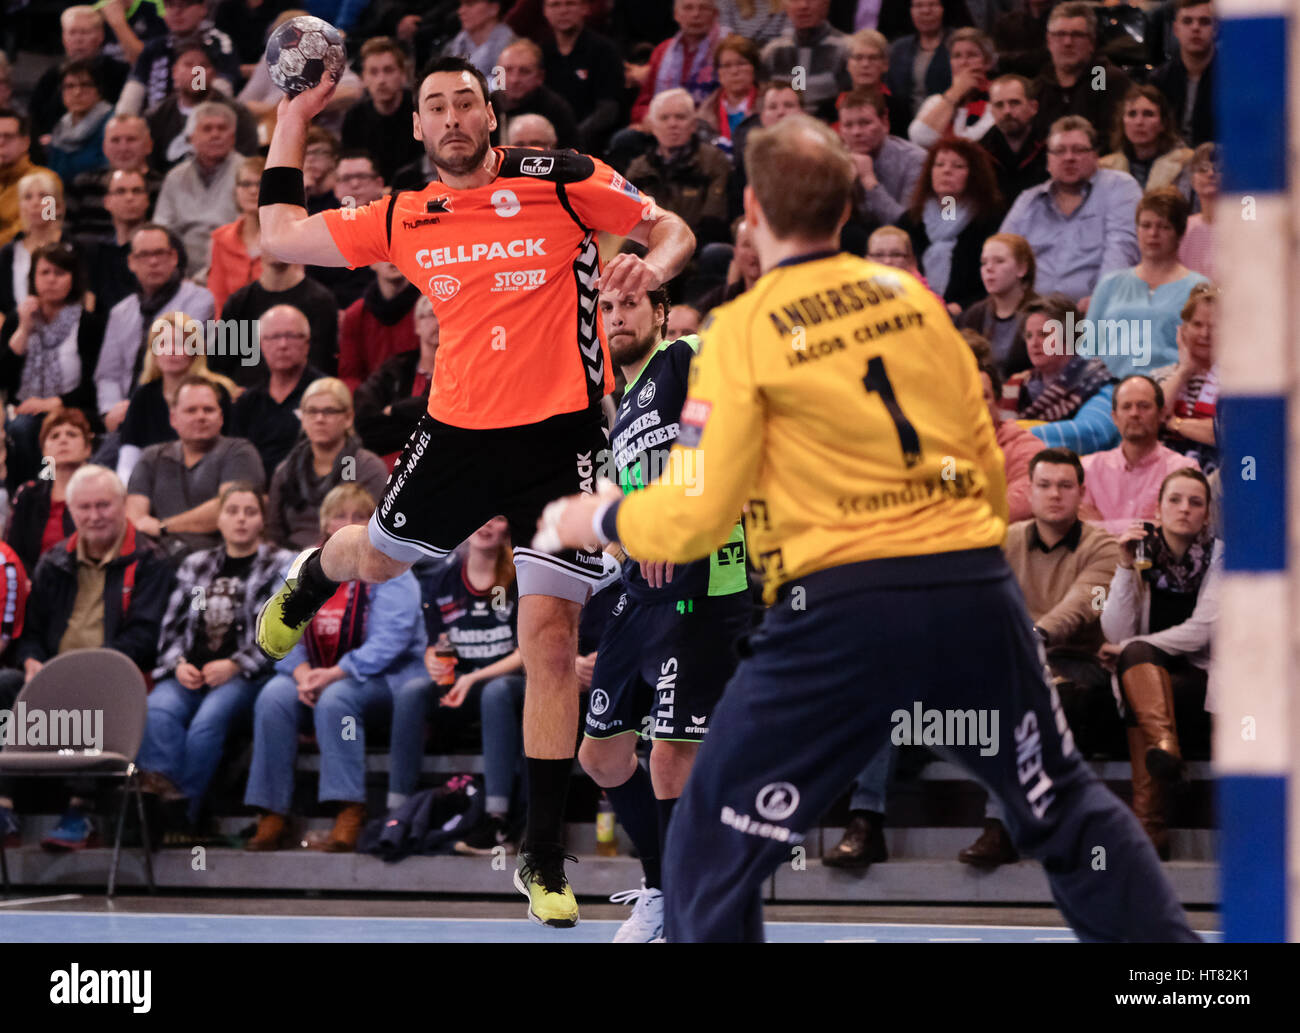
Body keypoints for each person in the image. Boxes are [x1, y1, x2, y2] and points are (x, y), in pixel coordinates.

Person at [537, 113, 1197, 943]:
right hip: (972, 590)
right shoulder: (914, 301)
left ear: (752, 210)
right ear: (846, 213)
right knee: (1060, 802)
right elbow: (991, 462)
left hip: (840, 609)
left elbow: (696, 507)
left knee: (711, 838)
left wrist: (591, 512)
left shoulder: (738, 332)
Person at [253, 54, 694, 928]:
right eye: (435, 108)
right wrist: (297, 112)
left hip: (563, 436)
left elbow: (669, 227)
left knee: (552, 635)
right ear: (416, 130)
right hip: (454, 436)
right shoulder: (402, 215)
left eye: (467, 103)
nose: (452, 117)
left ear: (490, 118)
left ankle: (539, 853)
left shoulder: (559, 179)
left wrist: (650, 268)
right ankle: (311, 575)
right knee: (373, 557)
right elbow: (277, 234)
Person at [578, 285, 750, 942]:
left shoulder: (684, 357)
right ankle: (659, 887)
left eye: (631, 305)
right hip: (639, 590)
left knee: (670, 756)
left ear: (659, 313)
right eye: (608, 309)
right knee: (601, 756)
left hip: (704, 579)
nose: (618, 317)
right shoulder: (618, 413)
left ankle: (681, 907)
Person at [959, 447, 1124, 866]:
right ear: (1029, 491)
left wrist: (1034, 636)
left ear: (1081, 493)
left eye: (1065, 485)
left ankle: (1000, 827)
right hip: (1011, 661)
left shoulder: (1102, 545)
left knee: (1024, 698)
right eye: (1044, 485)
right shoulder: (1005, 542)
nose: (1054, 494)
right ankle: (865, 816)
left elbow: (1084, 602)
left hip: (1079, 664)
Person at [244, 484, 428, 853]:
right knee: (273, 697)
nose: (348, 524)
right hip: (314, 676)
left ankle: (349, 809)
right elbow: (276, 625)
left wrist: (334, 674)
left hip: (385, 680)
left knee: (337, 700)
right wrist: (298, 673)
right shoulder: (301, 567)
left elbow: (389, 642)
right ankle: (272, 811)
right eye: (339, 516)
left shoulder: (393, 566)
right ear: (326, 523)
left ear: (375, 522)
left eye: (359, 516)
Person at [14, 465, 173, 851]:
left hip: (120, 675)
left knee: (98, 689)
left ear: (122, 506)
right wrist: (33, 660)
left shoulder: (152, 560)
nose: (94, 515)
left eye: (104, 505)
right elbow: (31, 633)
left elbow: (146, 636)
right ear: (72, 513)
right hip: (54, 674)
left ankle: (81, 811)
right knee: (5, 687)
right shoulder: (54, 561)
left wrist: (86, 670)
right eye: (84, 507)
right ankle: (6, 808)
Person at [137, 483, 293, 832]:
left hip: (244, 674)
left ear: (261, 521)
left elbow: (280, 630)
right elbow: (171, 627)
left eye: (249, 512)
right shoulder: (197, 564)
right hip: (188, 671)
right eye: (232, 511)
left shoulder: (280, 564)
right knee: (158, 711)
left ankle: (183, 815)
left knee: (208, 720)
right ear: (218, 520)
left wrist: (235, 664)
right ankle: (159, 805)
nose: (240, 519)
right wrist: (178, 664)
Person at [1100, 467, 1219, 858]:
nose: (1184, 509)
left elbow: (1201, 632)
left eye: (1195, 502)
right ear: (1159, 507)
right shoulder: (1141, 554)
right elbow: (1115, 631)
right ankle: (1164, 747)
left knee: (1135, 659)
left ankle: (1149, 825)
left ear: (1206, 513)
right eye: (1175, 500)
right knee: (1137, 665)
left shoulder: (1221, 557)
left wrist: (1133, 646)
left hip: (1202, 684)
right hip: (1151, 684)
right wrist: (1122, 566)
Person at [395, 517, 524, 832]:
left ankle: (496, 814)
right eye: (481, 517)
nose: (486, 525)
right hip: (460, 686)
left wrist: (473, 678)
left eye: (497, 518)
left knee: (496, 693)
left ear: (508, 528)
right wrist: (434, 661)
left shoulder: (520, 577)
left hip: (510, 685)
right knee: (412, 691)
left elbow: (527, 653)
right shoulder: (442, 579)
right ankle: (397, 810)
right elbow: (436, 643)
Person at [1000, 115, 1141, 303]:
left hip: (1093, 311)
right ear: (1048, 160)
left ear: (1095, 155)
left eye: (1079, 150)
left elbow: (1122, 249)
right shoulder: (1028, 200)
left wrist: (1101, 299)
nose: (1069, 158)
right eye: (1059, 151)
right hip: (1031, 313)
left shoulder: (1119, 186)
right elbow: (1001, 253)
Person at [126, 374, 266, 557]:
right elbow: (135, 518)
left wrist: (163, 527)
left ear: (221, 417)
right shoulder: (152, 457)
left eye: (208, 410)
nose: (200, 417)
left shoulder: (239, 451)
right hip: (157, 562)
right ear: (173, 418)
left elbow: (230, 509)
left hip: (218, 560)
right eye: (191, 410)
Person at [94, 222, 215, 434]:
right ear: (131, 262)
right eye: (144, 255)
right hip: (126, 412)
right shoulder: (120, 312)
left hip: (175, 408)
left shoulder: (201, 301)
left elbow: (179, 361)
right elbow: (108, 374)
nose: (153, 261)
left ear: (174, 258)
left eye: (160, 253)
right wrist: (111, 410)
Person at [0, 242, 103, 488]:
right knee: (20, 426)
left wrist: (53, 403)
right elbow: (2, 377)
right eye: (45, 272)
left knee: (36, 429)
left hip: (73, 407)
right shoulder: (17, 319)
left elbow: (95, 383)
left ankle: (48, 493)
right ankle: (23, 496)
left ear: (73, 279)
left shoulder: (89, 324)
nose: (52, 280)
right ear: (33, 278)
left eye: (60, 273)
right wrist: (24, 330)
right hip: (23, 408)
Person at [1086, 187, 1209, 380]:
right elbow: (1088, 349)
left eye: (1164, 227)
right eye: (1146, 225)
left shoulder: (1199, 287)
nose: (1153, 233)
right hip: (1107, 388)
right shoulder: (1110, 283)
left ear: (1179, 232)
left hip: (1172, 387)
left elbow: (1207, 352)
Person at [116, 311, 238, 484]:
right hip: (152, 484)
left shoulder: (216, 392)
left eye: (180, 343)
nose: (172, 350)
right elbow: (129, 457)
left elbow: (231, 449)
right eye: (163, 344)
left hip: (208, 481)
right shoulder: (144, 396)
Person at [267, 378, 389, 549]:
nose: (319, 418)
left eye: (329, 411)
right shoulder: (286, 470)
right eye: (311, 411)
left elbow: (378, 533)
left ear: (348, 418)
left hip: (349, 557)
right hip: (291, 560)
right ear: (302, 417)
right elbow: (274, 532)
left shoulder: (367, 468)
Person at [1080, 375, 1201, 536]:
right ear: (1114, 418)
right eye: (1126, 406)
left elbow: (1177, 532)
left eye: (1144, 406)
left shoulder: (1183, 470)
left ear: (1161, 413)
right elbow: (1080, 530)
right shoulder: (1088, 468)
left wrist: (1102, 527)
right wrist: (1150, 525)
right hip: (1100, 560)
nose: (1134, 413)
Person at [1000, 293, 1118, 455]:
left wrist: (1011, 434)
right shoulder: (1017, 386)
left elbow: (1092, 433)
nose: (1034, 343)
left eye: (1044, 334)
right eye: (1029, 336)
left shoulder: (1099, 380)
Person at [896, 138, 1003, 312]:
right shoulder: (911, 220)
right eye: (939, 165)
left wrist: (961, 307)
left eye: (958, 166)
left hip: (971, 314)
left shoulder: (989, 220)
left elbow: (999, 279)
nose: (946, 171)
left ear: (974, 174)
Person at [627, 89, 732, 248]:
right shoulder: (639, 169)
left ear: (693, 124)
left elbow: (713, 222)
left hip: (695, 250)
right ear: (653, 126)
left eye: (680, 117)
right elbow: (628, 221)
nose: (672, 124)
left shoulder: (714, 161)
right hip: (648, 252)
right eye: (664, 118)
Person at [229, 305, 327, 474]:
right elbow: (235, 459)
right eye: (274, 337)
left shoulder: (326, 394)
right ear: (261, 345)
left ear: (307, 343)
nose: (283, 345)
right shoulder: (248, 401)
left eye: (291, 336)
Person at [152, 102, 245, 275]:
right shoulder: (175, 177)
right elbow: (162, 227)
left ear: (232, 137)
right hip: (181, 270)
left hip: (232, 265)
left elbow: (249, 227)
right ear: (191, 138)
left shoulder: (247, 173)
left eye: (222, 128)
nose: (215, 134)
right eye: (207, 129)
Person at [217, 257, 339, 384]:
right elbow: (222, 365)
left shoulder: (321, 302)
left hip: (304, 396)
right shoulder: (239, 302)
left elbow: (322, 366)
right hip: (245, 397)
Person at [5, 408, 93, 576]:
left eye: (72, 434)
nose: (63, 440)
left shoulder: (102, 494)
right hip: (35, 590)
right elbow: (14, 553)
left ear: (87, 448)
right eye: (54, 436)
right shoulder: (27, 496)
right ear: (45, 452)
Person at [114, 0, 241, 117]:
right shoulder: (156, 47)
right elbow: (133, 91)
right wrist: (123, 121)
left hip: (201, 120)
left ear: (203, 8)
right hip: (157, 125)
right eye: (170, 5)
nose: (177, 12)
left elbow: (222, 91)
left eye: (185, 5)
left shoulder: (216, 44)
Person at [145, 45, 259, 173]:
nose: (196, 72)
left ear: (214, 74)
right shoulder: (157, 116)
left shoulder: (238, 114)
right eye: (189, 64)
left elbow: (248, 163)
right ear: (175, 72)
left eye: (203, 66)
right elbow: (150, 167)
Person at [1031, 1, 1132, 143]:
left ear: (1091, 42)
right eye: (1060, 34)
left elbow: (1109, 136)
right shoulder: (1040, 85)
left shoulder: (1102, 77)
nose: (1067, 42)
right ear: (1049, 41)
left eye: (1077, 35)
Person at [355, 295, 439, 464]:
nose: (438, 322)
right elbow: (364, 419)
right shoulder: (396, 368)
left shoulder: (462, 373)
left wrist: (396, 410)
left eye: (444, 315)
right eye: (431, 314)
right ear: (417, 325)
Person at [29, 6, 129, 144]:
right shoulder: (52, 76)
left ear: (100, 36)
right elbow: (35, 118)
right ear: (64, 38)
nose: (78, 39)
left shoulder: (120, 73)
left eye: (84, 32)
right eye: (72, 33)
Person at [541, 0, 626, 154]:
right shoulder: (540, 51)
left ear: (585, 8)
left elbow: (608, 111)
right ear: (545, 11)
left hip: (593, 145)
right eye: (555, 5)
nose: (563, 11)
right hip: (547, 142)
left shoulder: (605, 51)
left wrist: (571, 138)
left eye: (570, 4)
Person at [1152, 282, 1219, 475]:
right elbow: (1149, 419)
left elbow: (1226, 432)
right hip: (1162, 477)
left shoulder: (1237, 382)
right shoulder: (1162, 375)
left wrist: (1174, 423)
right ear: (1182, 329)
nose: (1205, 334)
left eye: (1214, 327)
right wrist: (1183, 372)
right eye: (1197, 324)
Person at [837, 87, 926, 230]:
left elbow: (908, 225)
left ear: (885, 123)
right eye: (848, 125)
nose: (856, 132)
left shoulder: (915, 159)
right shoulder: (834, 160)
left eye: (865, 123)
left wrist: (869, 181)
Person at [340, 37, 423, 188]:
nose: (381, 80)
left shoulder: (420, 109)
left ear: (403, 75)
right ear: (363, 78)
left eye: (388, 70)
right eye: (373, 72)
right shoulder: (354, 117)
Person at [633, 0, 726, 127]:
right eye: (688, 8)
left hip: (708, 125)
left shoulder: (726, 50)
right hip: (663, 126)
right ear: (676, 15)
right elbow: (642, 103)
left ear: (715, 14)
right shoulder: (662, 51)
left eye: (703, 8)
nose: (695, 14)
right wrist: (647, 117)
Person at [958, 231, 1037, 376]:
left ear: (1022, 269)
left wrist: (1031, 374)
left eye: (999, 261)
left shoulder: (1041, 314)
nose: (988, 268)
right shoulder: (974, 314)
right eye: (984, 262)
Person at [338, 261, 421, 393]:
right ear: (371, 263)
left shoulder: (429, 311)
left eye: (397, 251)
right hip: (368, 401)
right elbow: (349, 375)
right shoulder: (355, 314)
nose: (392, 259)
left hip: (418, 399)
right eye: (384, 253)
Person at [79, 167, 152, 315]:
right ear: (107, 202)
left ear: (147, 200)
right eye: (121, 191)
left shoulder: (160, 247)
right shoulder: (94, 254)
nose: (129, 198)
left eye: (136, 191)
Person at [907, 27, 995, 148]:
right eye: (957, 56)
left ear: (987, 62)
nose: (963, 62)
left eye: (972, 55)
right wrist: (956, 91)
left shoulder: (997, 100)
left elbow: (973, 142)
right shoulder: (936, 101)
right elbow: (919, 137)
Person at [1099, 86, 1193, 196]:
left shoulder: (1187, 162)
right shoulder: (1105, 166)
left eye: (1148, 114)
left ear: (1163, 123)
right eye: (1132, 114)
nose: (1139, 122)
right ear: (1122, 122)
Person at [762, 0, 850, 115]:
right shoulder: (772, 52)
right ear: (784, 6)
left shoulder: (845, 49)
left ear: (825, 3)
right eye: (795, 0)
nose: (803, 5)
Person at [490, 40, 580, 151]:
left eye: (524, 71)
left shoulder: (557, 109)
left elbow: (574, 157)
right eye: (508, 70)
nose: (515, 79)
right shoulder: (486, 105)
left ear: (540, 77)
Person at [0, 169, 67, 317]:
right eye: (28, 197)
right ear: (21, 206)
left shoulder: (73, 248)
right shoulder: (8, 253)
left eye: (44, 196)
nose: (35, 203)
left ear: (59, 206)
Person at [1149, 0, 1216, 147]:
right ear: (1176, 30)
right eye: (1187, 21)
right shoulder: (1158, 80)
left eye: (1204, 22)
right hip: (1170, 161)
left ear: (1216, 29)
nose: (1195, 28)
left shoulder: (1232, 79)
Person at [205, 156, 264, 314]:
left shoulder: (284, 236)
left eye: (260, 184)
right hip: (235, 331)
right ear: (236, 191)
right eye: (246, 184)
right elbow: (218, 297)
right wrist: (227, 337)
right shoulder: (221, 239)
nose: (253, 190)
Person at [978, 74, 1048, 208]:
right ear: (991, 111)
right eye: (999, 105)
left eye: (1015, 103)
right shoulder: (979, 153)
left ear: (1033, 107)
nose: (1007, 111)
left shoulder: (1054, 147)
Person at [43, 61, 114, 186]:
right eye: (69, 86)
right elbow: (51, 176)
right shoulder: (60, 127)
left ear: (99, 91)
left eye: (85, 85)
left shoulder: (111, 123)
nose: (77, 92)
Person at [885, 0, 954, 124]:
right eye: (918, 5)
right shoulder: (898, 48)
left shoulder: (958, 44)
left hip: (948, 122)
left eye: (932, 5)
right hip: (904, 124)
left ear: (943, 8)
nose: (925, 11)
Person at [696, 35, 760, 159]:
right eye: (727, 65)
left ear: (754, 68)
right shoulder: (704, 113)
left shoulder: (768, 106)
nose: (734, 71)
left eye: (741, 63)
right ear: (718, 73)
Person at [0, 110, 57, 248]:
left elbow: (42, 225)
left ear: (25, 142)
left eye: (8, 137)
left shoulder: (47, 180)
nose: (1, 142)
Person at [838, 30, 909, 132]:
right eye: (858, 57)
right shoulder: (829, 108)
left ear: (885, 65)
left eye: (873, 58)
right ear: (848, 64)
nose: (865, 64)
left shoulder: (899, 110)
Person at [441, 0, 518, 81]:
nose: (461, 11)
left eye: (470, 4)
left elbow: (502, 86)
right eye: (461, 5)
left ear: (494, 8)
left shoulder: (510, 48)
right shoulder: (458, 41)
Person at [1179, 142, 1217, 281]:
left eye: (1219, 168)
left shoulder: (1245, 228)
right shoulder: (1182, 229)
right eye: (1202, 169)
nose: (1211, 173)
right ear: (1192, 180)